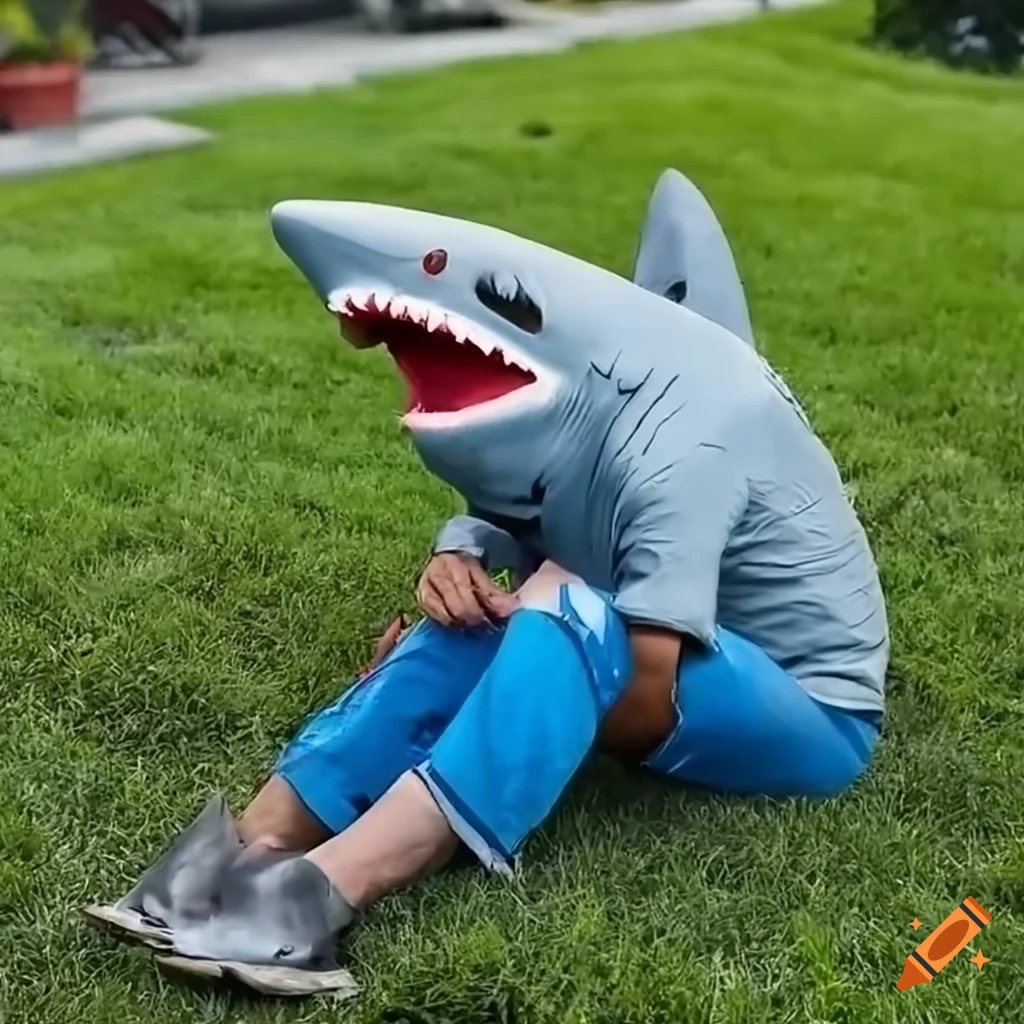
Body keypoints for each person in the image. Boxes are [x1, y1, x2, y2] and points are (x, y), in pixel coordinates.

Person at [94, 169, 888, 974]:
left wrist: (524, 658)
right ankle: (248, 847)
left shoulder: (690, 443)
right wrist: (461, 556)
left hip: (810, 713)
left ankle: (326, 889)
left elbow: (649, 686)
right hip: (652, 628)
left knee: (562, 616)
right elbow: (553, 494)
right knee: (468, 626)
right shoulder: (613, 407)